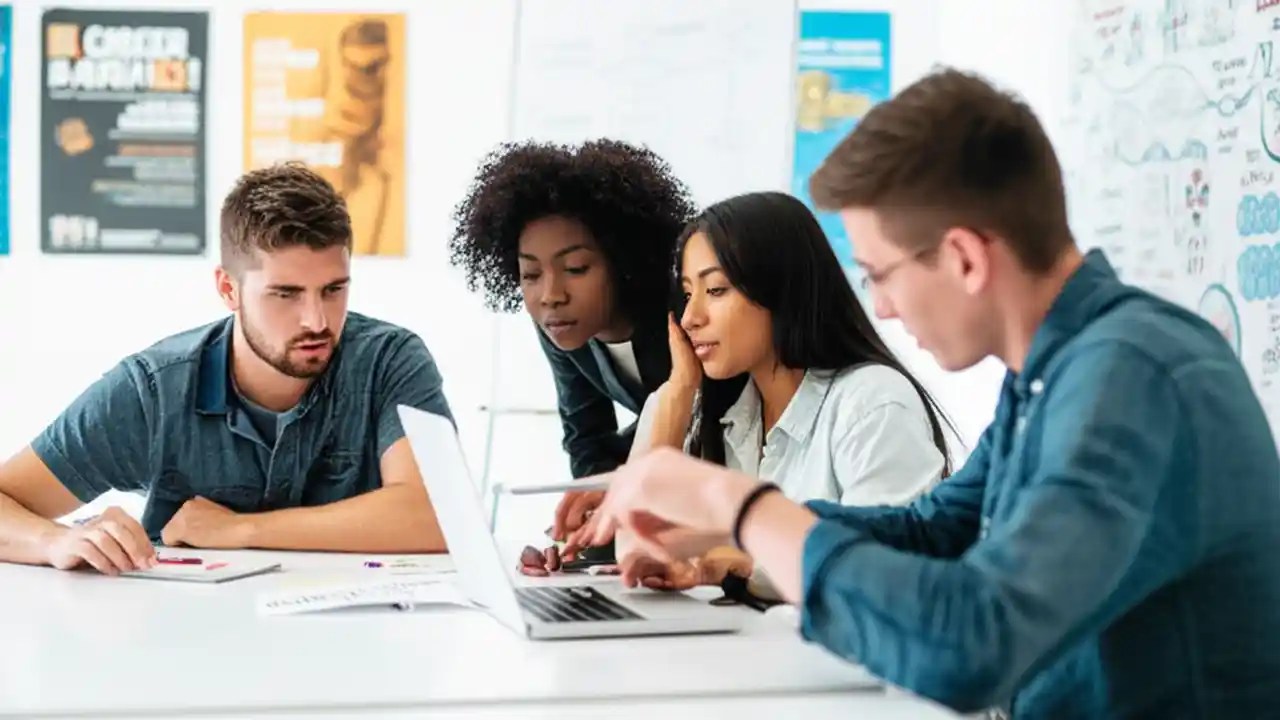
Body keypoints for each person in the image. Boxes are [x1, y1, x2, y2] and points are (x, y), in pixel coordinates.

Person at [587, 68, 1280, 718]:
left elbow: (973, 644)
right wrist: (716, 532)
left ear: (964, 259)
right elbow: (931, 531)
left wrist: (739, 505)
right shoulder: (1057, 369)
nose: (881, 308)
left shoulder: (1130, 377)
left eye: (880, 273)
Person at [0, 162, 455, 575]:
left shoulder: (390, 362)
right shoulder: (155, 391)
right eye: (286, 294)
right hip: (192, 650)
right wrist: (55, 540)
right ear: (228, 288)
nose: (317, 320)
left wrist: (242, 530)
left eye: (333, 290)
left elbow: (438, 515)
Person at [619, 191, 953, 592]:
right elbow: (635, 549)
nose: (691, 318)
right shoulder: (717, 409)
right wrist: (678, 391)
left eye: (717, 290)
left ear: (780, 288)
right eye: (689, 293)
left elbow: (881, 572)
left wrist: (732, 560)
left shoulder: (872, 401)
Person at [448, 138, 696, 567]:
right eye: (530, 273)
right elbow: (586, 435)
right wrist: (591, 507)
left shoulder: (681, 316)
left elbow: (706, 431)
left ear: (622, 259)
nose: (551, 295)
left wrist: (622, 489)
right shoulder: (559, 325)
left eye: (576, 269)